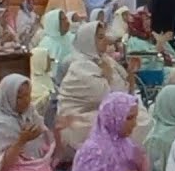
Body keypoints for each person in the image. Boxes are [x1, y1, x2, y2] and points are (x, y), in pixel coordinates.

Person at [56, 22, 150, 156]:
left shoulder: (104, 60)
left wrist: (130, 73)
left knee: (140, 115)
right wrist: (109, 76)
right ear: (88, 41)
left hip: (101, 110)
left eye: (104, 36)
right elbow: (106, 97)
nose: (105, 40)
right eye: (100, 37)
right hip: (77, 119)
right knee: (134, 122)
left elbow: (125, 90)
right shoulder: (79, 67)